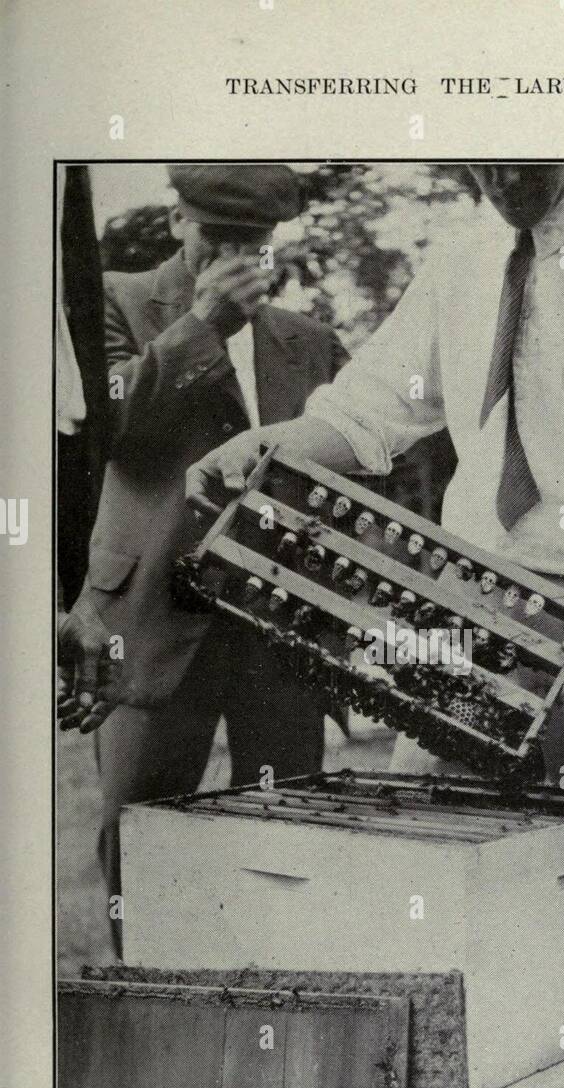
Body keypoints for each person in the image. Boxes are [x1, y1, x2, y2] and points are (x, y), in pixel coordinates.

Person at [187, 163, 564, 1088]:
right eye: (478, 158)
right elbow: (367, 411)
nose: (498, 175)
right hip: (458, 620)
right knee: (428, 888)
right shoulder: (460, 259)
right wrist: (269, 447)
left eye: (522, 157)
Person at [59, 163, 348, 957]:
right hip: (150, 610)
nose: (233, 255)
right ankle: (148, 998)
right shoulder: (111, 302)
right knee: (141, 830)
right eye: (217, 235)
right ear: (178, 220)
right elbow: (107, 429)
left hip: (280, 630)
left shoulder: (309, 341)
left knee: (287, 829)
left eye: (252, 242)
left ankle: (276, 995)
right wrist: (202, 325)